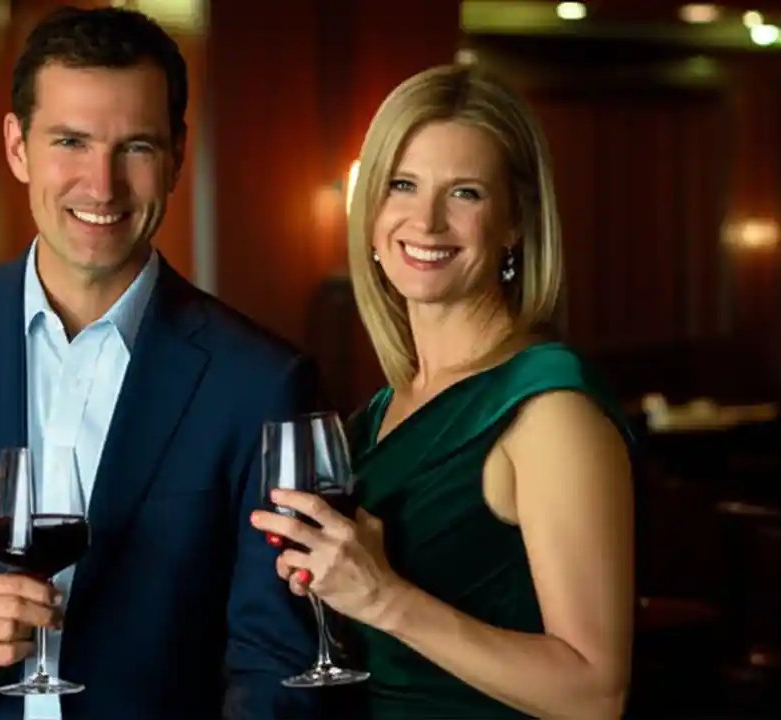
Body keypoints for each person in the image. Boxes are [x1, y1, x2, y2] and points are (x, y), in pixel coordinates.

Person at [0, 7, 323, 720]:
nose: (102, 185)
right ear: (17, 146)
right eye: (70, 141)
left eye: (136, 147)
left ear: (178, 155)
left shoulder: (260, 379)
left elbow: (271, 656)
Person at [251, 64, 635, 719]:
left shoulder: (550, 409)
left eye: (465, 193)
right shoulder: (377, 414)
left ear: (515, 222)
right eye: (402, 185)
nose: (426, 221)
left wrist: (382, 597)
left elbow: (595, 695)